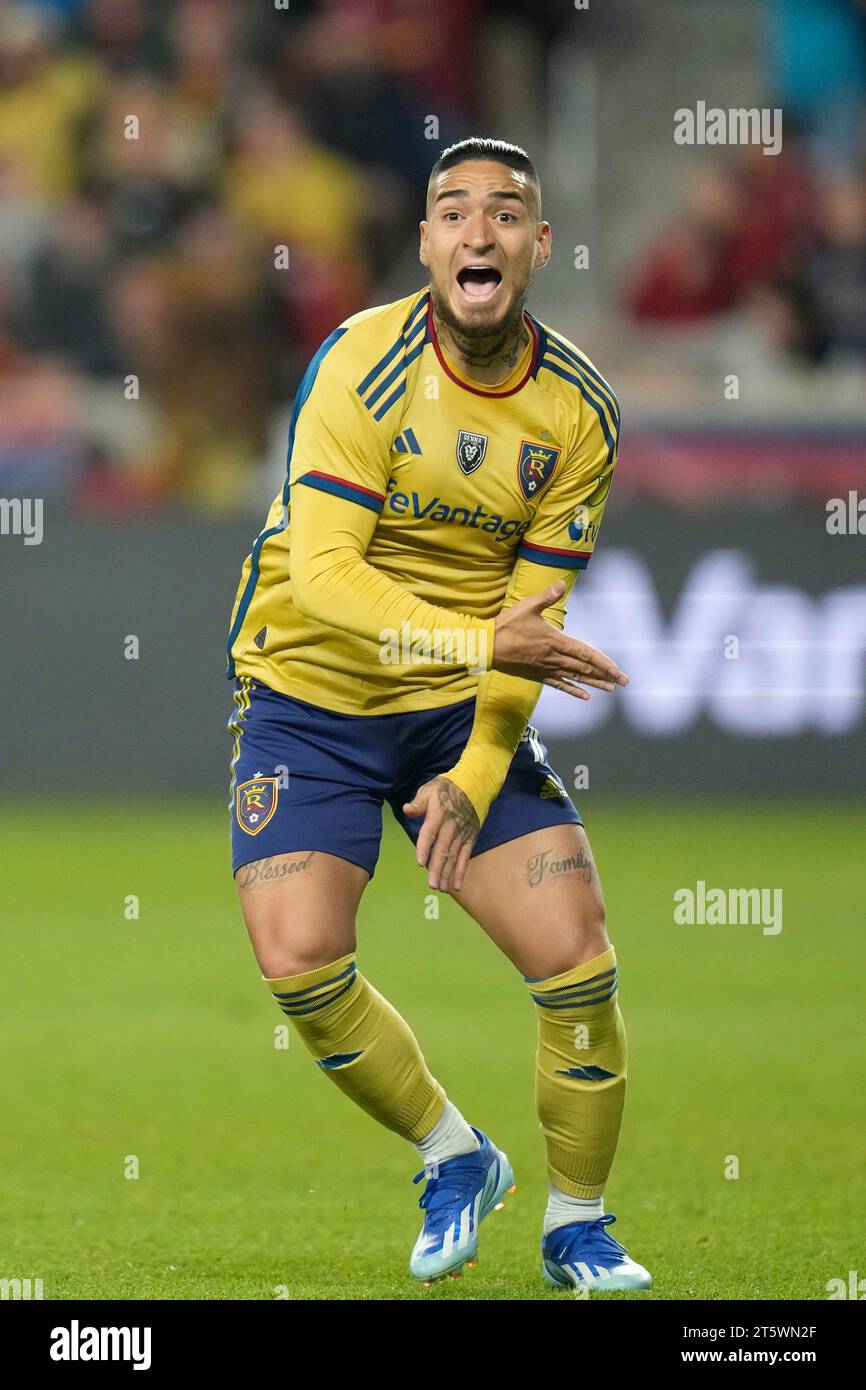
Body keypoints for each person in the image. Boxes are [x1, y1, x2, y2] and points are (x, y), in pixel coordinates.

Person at [225, 137, 651, 1293]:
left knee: (577, 960)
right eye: (453, 211)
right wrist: (480, 643)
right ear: (423, 244)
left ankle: (578, 1225)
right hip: (306, 695)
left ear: (537, 246)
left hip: (456, 706)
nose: (478, 231)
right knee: (299, 957)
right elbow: (324, 578)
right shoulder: (362, 362)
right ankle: (453, 1153)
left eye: (504, 214)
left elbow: (531, 624)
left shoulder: (577, 412)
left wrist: (475, 765)